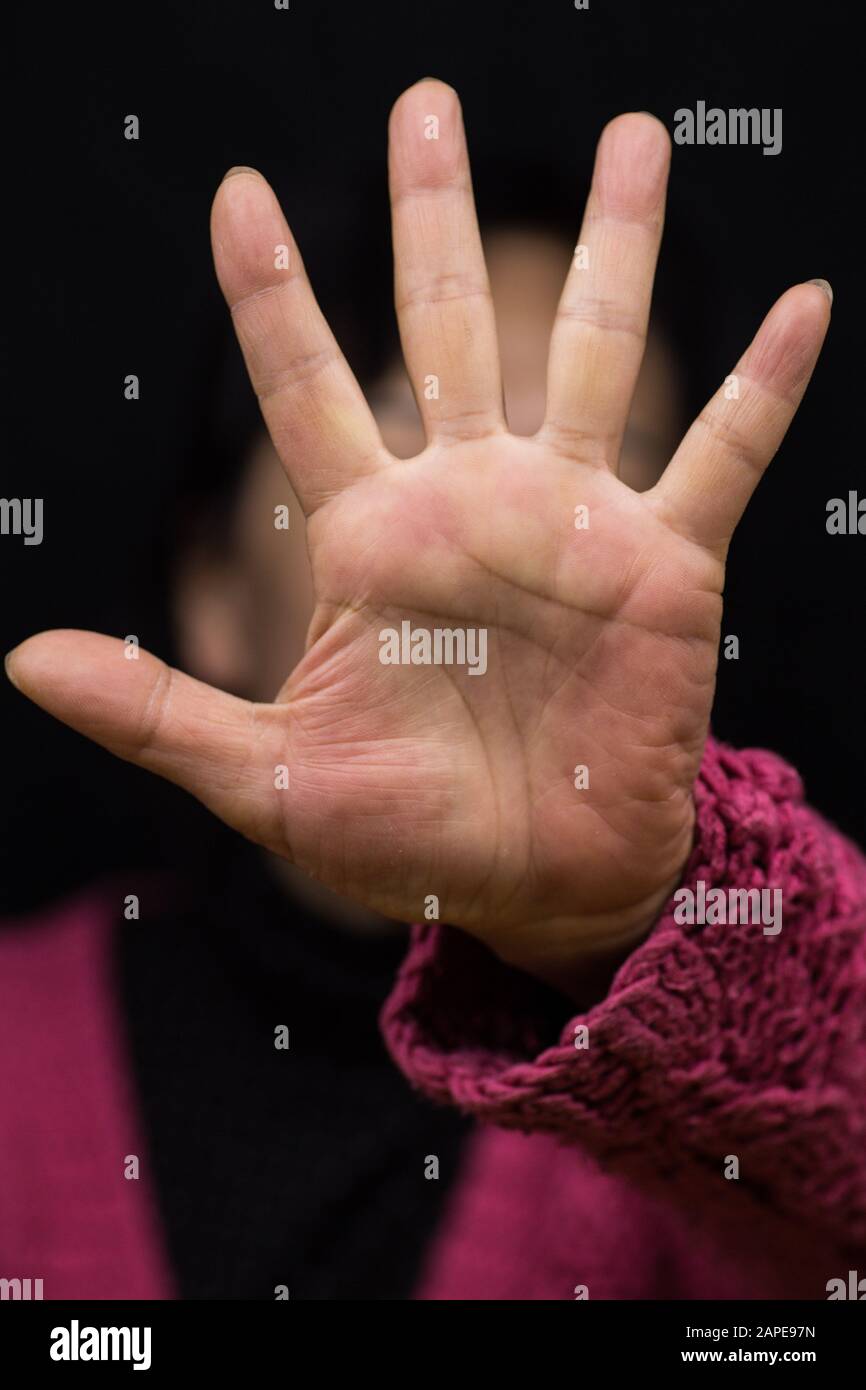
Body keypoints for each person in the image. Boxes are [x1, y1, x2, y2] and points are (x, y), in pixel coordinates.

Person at [4, 81, 858, 1301]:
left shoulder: (693, 1136)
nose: (498, 549)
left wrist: (631, 930)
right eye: (403, 429)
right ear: (208, 590)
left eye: (599, 473)